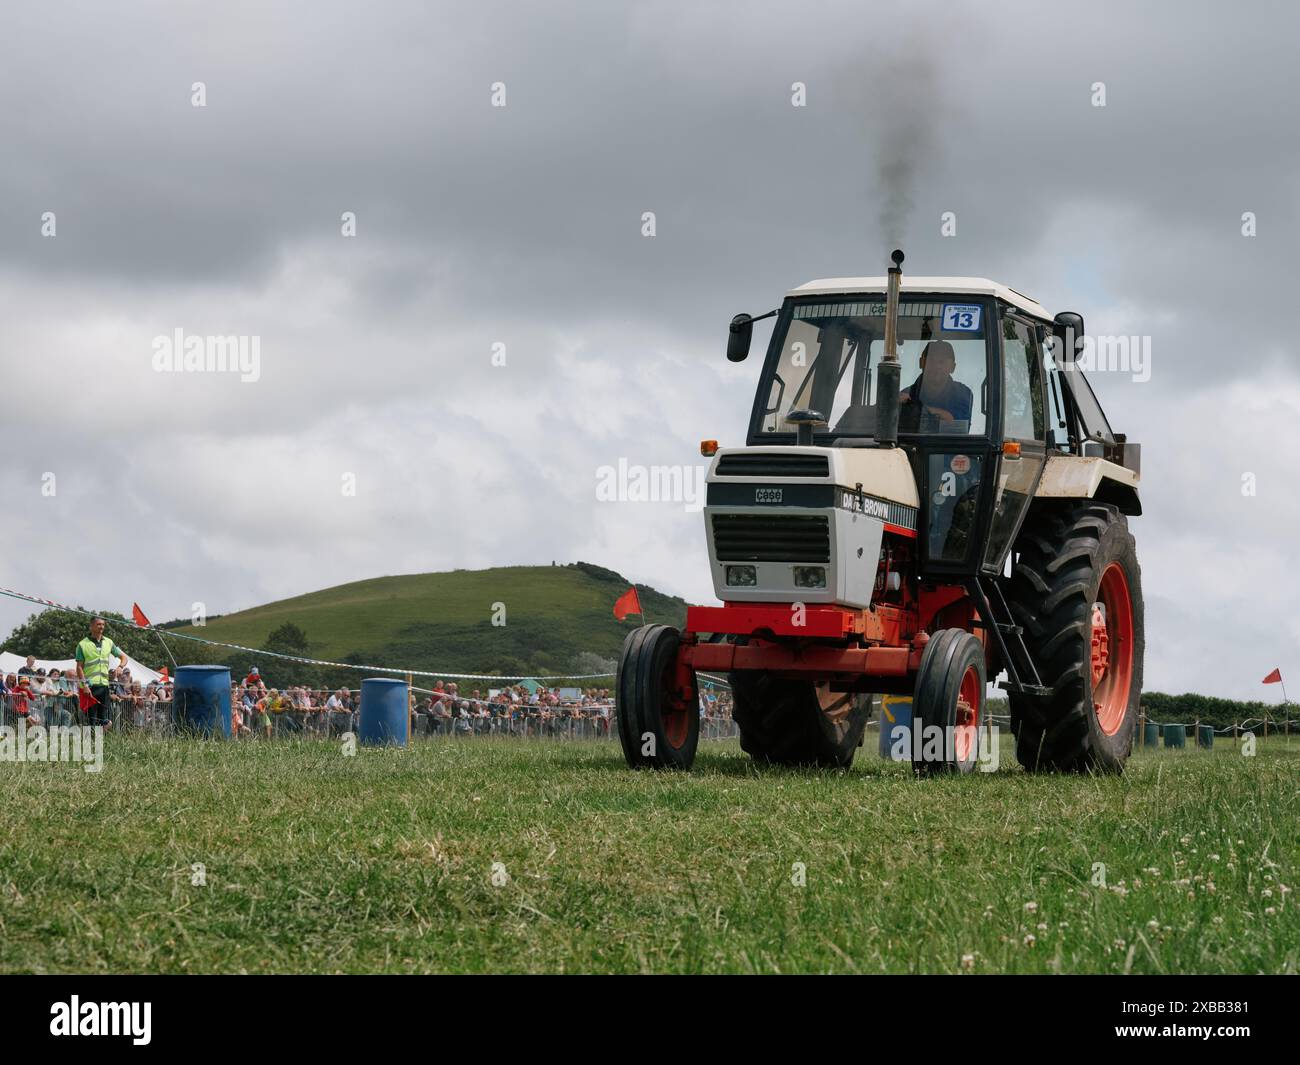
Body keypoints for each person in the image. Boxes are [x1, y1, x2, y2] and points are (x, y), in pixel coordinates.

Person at [899, 340, 973, 425]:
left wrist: (912, 405)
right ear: (921, 363)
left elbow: (950, 420)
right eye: (931, 360)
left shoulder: (963, 393)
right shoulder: (905, 394)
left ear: (953, 367)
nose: (936, 366)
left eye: (942, 362)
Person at [75, 617, 129, 728]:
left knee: (104, 720)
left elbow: (124, 657)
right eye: (99, 624)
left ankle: (99, 744)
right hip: (89, 687)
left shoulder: (109, 642)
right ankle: (89, 743)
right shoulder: (82, 644)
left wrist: (120, 667)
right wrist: (85, 685)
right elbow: (79, 667)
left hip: (104, 686)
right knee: (91, 720)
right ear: (91, 627)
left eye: (103, 624)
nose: (101, 627)